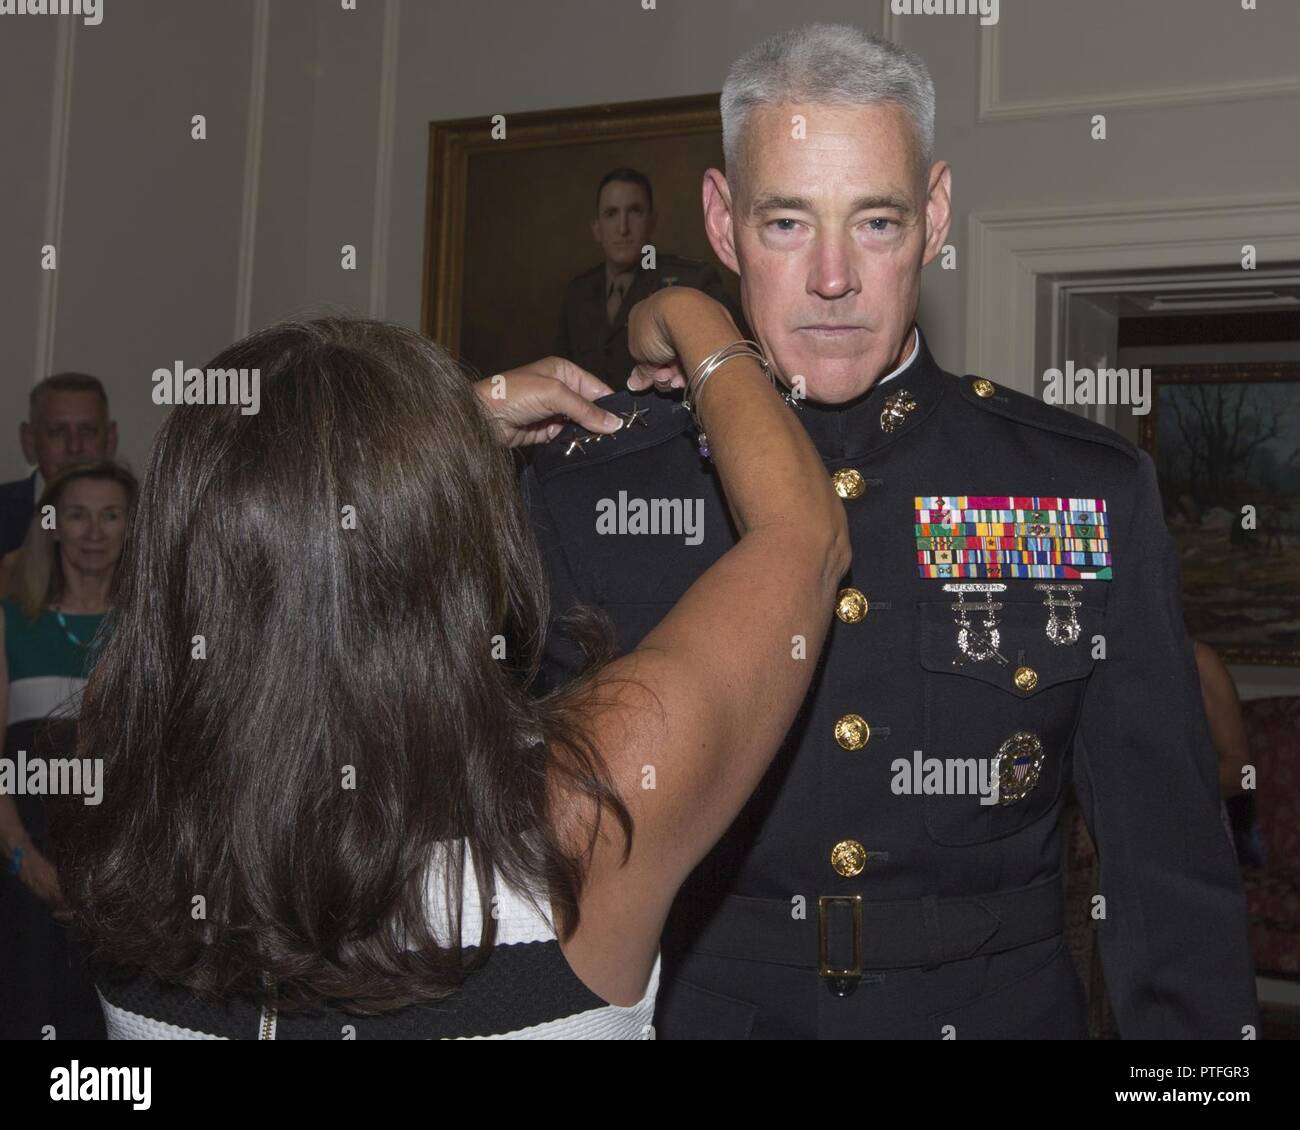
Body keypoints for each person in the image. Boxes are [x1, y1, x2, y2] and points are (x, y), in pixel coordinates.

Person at [523, 24, 1257, 1038]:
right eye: (787, 223)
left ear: (935, 216)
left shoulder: (1080, 488)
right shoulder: (585, 493)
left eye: (874, 221)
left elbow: (1167, 884)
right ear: (723, 222)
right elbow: (513, 879)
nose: (833, 278)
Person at [56, 307, 849, 1039]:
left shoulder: (121, 788)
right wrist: (692, 316)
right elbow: (801, 539)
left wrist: (422, 451)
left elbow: (260, 576)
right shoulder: (577, 824)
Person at [0, 459, 136, 1040]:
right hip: (24, 883)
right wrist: (26, 864)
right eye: (77, 515)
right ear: (51, 525)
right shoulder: (11, 624)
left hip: (127, 890)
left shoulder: (151, 633)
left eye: (111, 516)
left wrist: (119, 881)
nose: (94, 532)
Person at [556, 167, 743, 386]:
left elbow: (735, 366)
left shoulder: (693, 281)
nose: (623, 228)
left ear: (651, 222)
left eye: (634, 211)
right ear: (596, 228)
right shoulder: (578, 293)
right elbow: (563, 375)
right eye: (611, 214)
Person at [0, 373, 118, 557]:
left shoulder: (141, 521)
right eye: (57, 432)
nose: (74, 447)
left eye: (87, 431)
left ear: (110, 439)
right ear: (29, 441)